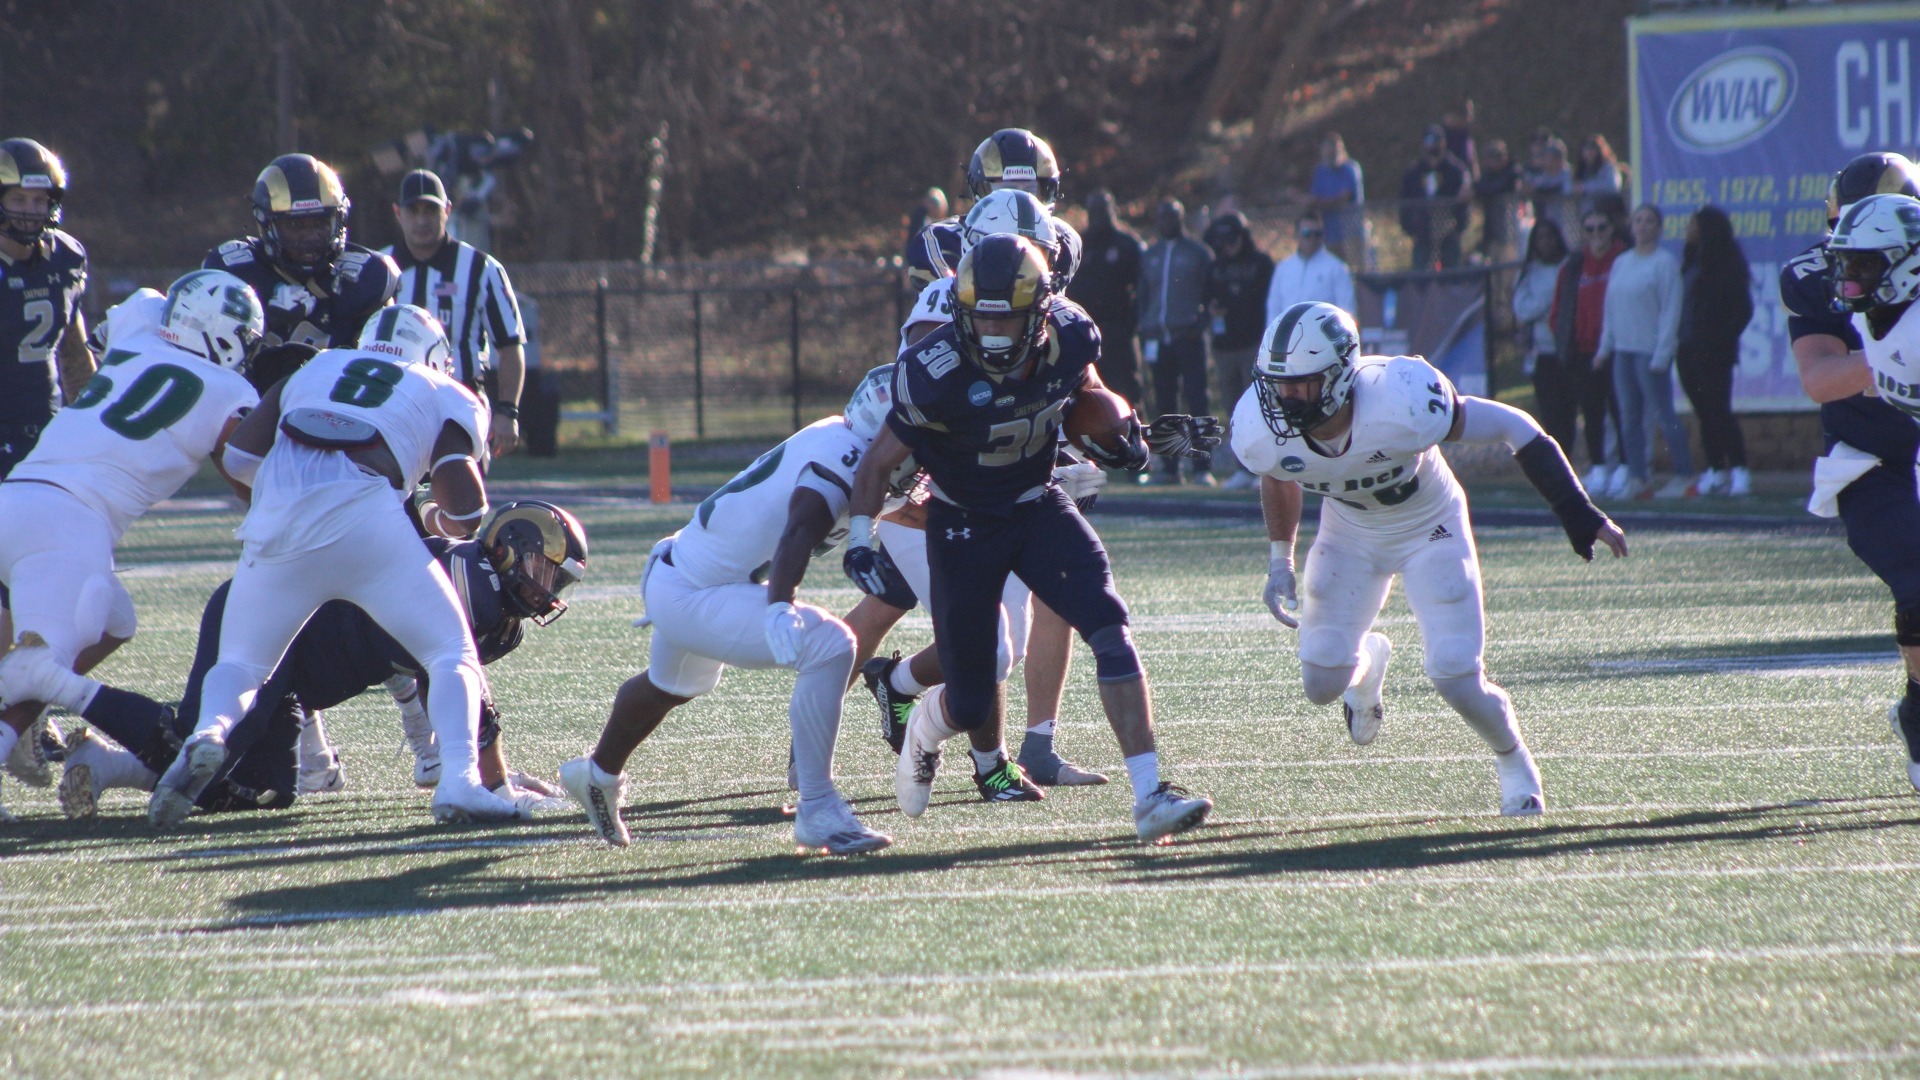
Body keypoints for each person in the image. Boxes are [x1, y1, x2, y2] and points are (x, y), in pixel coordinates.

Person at [843, 233, 1216, 844]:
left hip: (1038, 504)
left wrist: (1119, 432)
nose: (992, 332)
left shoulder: (1071, 335)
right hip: (962, 523)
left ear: (1041, 310)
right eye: (981, 316)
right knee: (969, 701)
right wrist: (860, 537)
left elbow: (1088, 396)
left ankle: (1149, 793)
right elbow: (877, 463)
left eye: (1006, 317)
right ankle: (925, 730)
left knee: (1108, 625)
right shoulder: (932, 369)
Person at [1233, 301, 1626, 816]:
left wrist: (1575, 510)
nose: (1283, 398)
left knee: (1454, 669)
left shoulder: (1401, 400)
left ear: (1338, 377)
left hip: (1428, 525)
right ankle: (1367, 664)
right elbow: (1279, 471)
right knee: (1321, 682)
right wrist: (1279, 559)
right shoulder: (1262, 426)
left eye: (1300, 383)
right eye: (1277, 383)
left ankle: (1514, 761)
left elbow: (1516, 426)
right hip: (1350, 531)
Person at [151, 305, 512, 828]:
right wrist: (436, 514)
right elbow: (466, 510)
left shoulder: (314, 368)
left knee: (242, 664)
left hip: (277, 520)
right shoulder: (443, 390)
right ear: (437, 358)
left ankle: (208, 733)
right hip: (366, 519)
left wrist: (297, 495)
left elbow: (239, 460)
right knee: (448, 651)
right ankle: (459, 780)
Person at [21, 503, 585, 821]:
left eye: (557, 582)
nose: (550, 591)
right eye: (545, 572)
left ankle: (105, 763)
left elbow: (456, 686)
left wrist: (496, 777)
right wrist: (496, 783)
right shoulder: (473, 582)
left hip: (296, 679)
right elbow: (457, 688)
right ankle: (52, 680)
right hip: (268, 631)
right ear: (508, 549)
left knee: (256, 791)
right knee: (191, 746)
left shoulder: (501, 618)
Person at [557, 370, 897, 855]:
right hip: (693, 589)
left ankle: (595, 774)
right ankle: (818, 807)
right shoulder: (845, 458)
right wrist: (780, 606)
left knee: (672, 685)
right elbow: (799, 531)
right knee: (832, 644)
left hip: (687, 569)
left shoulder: (841, 433)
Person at [0, 270, 264, 820]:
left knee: (117, 620)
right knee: (36, 669)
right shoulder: (230, 392)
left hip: (18, 492)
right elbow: (248, 476)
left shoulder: (142, 323)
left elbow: (116, 327)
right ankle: (17, 717)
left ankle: (23, 704)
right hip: (69, 525)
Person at [1778, 152, 1920, 794]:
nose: (1847, 268)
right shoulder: (1817, 280)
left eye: (1865, 252)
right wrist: (1893, 363)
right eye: (1842, 245)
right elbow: (1818, 379)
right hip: (1871, 464)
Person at [0, 137, 95, 785]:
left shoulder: (66, 258)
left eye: (41, 199)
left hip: (50, 439)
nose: (32, 211)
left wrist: (94, 421)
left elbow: (77, 348)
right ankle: (22, 712)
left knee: (60, 585)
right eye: (19, 199)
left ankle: (27, 708)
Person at [205, 153, 402, 390]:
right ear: (267, 225)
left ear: (338, 220)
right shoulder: (237, 272)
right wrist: (260, 322)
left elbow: (387, 370)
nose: (309, 237)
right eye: (295, 226)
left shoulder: (364, 277)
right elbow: (206, 363)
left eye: (319, 223)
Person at [383, 169, 528, 459]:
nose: (422, 220)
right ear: (398, 213)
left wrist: (507, 411)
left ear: (447, 210)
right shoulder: (379, 268)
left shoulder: (481, 269)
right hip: (392, 408)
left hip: (461, 405)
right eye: (414, 211)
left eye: (431, 210)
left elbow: (510, 345)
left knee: (459, 499)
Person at [1596, 204, 1689, 499]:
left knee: (1664, 415)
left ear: (1658, 228)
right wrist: (1605, 347)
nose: (1643, 225)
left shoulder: (1665, 264)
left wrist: (1663, 352)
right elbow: (1611, 308)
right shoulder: (1622, 262)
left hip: (1650, 354)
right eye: (1638, 220)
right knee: (1629, 418)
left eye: (1649, 221)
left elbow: (1670, 311)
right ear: (1631, 226)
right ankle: (1638, 478)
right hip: (1623, 352)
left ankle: (1685, 475)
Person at [1676, 206, 1754, 496]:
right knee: (1703, 411)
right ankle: (1715, 469)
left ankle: (1740, 469)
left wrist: (1720, 339)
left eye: (1693, 224)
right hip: (1686, 348)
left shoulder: (1726, 264)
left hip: (1715, 351)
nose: (1688, 229)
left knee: (1719, 410)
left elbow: (1743, 309)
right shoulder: (1690, 261)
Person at [1138, 198, 1216, 482]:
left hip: (1189, 338)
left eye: (1171, 216)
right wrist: (1144, 326)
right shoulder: (1150, 254)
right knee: (1165, 403)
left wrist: (1201, 323)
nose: (1166, 222)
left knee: (1198, 400)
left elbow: (1211, 295)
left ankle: (1202, 467)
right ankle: (1170, 468)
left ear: (1181, 218)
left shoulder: (1198, 253)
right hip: (1158, 338)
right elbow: (1144, 295)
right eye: (1161, 217)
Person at [1552, 206, 1627, 491]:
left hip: (1617, 349)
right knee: (1592, 412)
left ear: (1612, 229)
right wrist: (1564, 340)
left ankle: (1624, 467)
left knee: (1621, 411)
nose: (1596, 235)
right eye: (1590, 229)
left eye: (1602, 228)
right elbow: (1560, 307)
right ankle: (1598, 468)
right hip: (1582, 351)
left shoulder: (1622, 257)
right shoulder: (1574, 264)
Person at [1204, 211, 1273, 489]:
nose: (1228, 247)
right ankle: (1242, 467)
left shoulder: (1261, 263)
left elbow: (1269, 300)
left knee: (1259, 408)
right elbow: (1206, 297)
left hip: (1253, 345)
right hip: (1225, 347)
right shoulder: (1216, 265)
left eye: (1232, 241)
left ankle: (1265, 468)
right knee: (1235, 410)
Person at [1067, 189, 1146, 405]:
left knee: (1127, 392)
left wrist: (1134, 323)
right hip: (1086, 334)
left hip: (1119, 332)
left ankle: (1134, 434)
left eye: (1102, 210)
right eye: (1093, 210)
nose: (1098, 215)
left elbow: (1144, 287)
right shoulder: (1079, 245)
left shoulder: (1127, 244)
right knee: (1089, 394)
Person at [1512, 221, 1577, 453]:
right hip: (1541, 354)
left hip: (1568, 351)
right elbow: (1522, 309)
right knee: (1550, 412)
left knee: (1568, 411)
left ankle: (1570, 458)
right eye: (1540, 238)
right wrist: (1553, 297)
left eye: (1550, 236)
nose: (1546, 242)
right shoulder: (1528, 271)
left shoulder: (1569, 267)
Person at [1265, 212, 1356, 329]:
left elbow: (1346, 310)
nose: (1312, 238)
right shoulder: (1283, 268)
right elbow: (1273, 308)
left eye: (1317, 234)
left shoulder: (1337, 268)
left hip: (1320, 341)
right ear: (1297, 235)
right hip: (1288, 340)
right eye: (1307, 233)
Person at [1398, 124, 1470, 271]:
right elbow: (1404, 202)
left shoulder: (1456, 170)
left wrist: (1459, 227)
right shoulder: (1414, 172)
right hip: (1423, 233)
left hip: (1449, 233)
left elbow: (1464, 200)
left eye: (1437, 142)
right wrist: (1410, 228)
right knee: (1421, 276)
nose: (1433, 147)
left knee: (1451, 275)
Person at [1309, 132, 1366, 269]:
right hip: (1331, 234)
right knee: (1334, 272)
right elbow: (1315, 200)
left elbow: (1342, 199)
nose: (1330, 155)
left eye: (1333, 152)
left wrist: (1314, 202)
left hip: (1351, 233)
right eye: (1326, 152)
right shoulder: (1320, 172)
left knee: (1357, 273)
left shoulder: (1350, 169)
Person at [1473, 139, 1525, 262]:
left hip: (1510, 231)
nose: (1499, 159)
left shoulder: (1513, 171)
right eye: (1494, 156)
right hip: (1492, 233)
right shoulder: (1487, 175)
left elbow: (1503, 186)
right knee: (1493, 269)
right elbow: (1480, 187)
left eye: (1501, 155)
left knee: (1508, 266)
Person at [1520, 135, 1575, 236]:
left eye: (1549, 157)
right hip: (1550, 222)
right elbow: (1533, 188)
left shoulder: (1567, 172)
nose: (1545, 160)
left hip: (1569, 223)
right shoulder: (1545, 175)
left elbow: (1567, 190)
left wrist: (1548, 191)